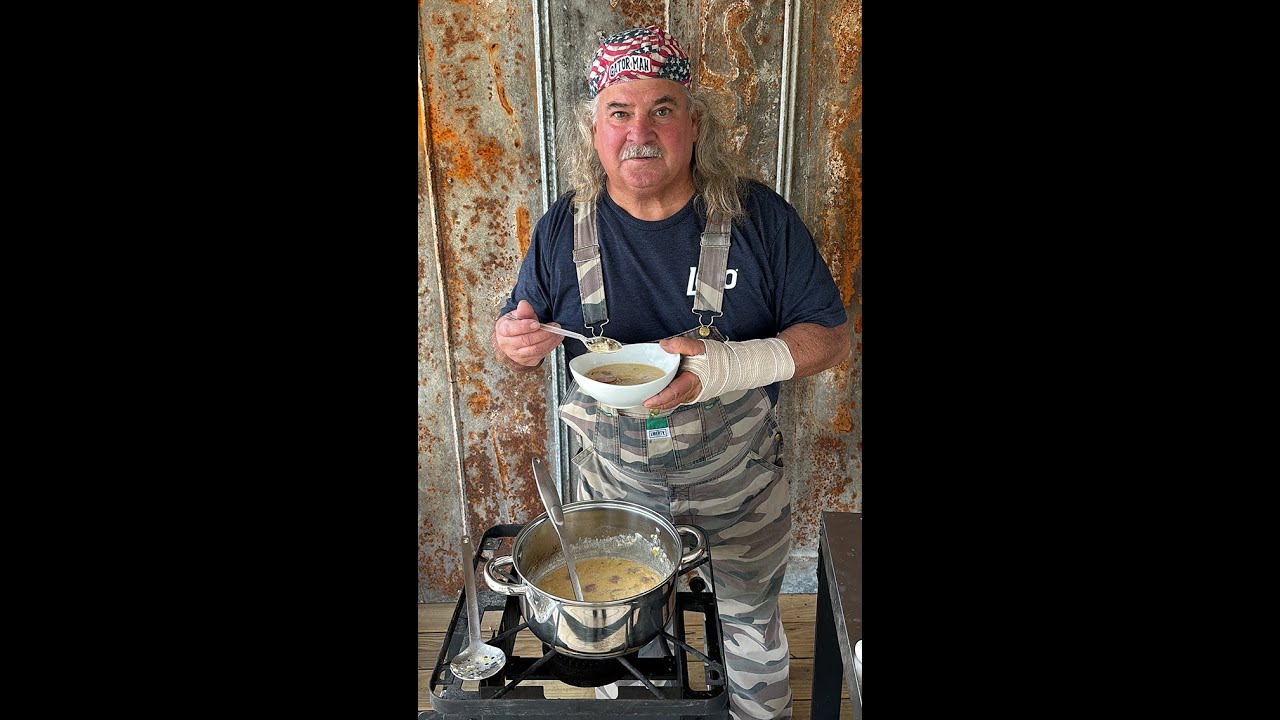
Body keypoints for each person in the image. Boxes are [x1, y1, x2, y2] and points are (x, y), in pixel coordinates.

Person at [491, 25, 849, 720]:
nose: (640, 131)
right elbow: (518, 333)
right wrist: (516, 342)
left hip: (742, 494)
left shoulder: (760, 219)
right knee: (623, 651)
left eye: (662, 108)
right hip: (616, 499)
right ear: (593, 127)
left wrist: (726, 366)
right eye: (619, 112)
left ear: (694, 123)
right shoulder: (563, 228)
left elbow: (831, 342)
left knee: (751, 635)